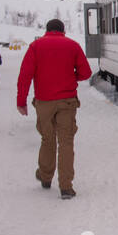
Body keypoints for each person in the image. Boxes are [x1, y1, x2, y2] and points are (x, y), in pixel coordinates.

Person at [16, 18, 92, 199]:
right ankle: (66, 187)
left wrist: (21, 101)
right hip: (67, 101)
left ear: (47, 30)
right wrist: (72, 77)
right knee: (66, 142)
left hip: (44, 102)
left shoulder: (36, 46)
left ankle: (45, 176)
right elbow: (86, 72)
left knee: (47, 139)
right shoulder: (72, 46)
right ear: (63, 31)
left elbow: (25, 75)